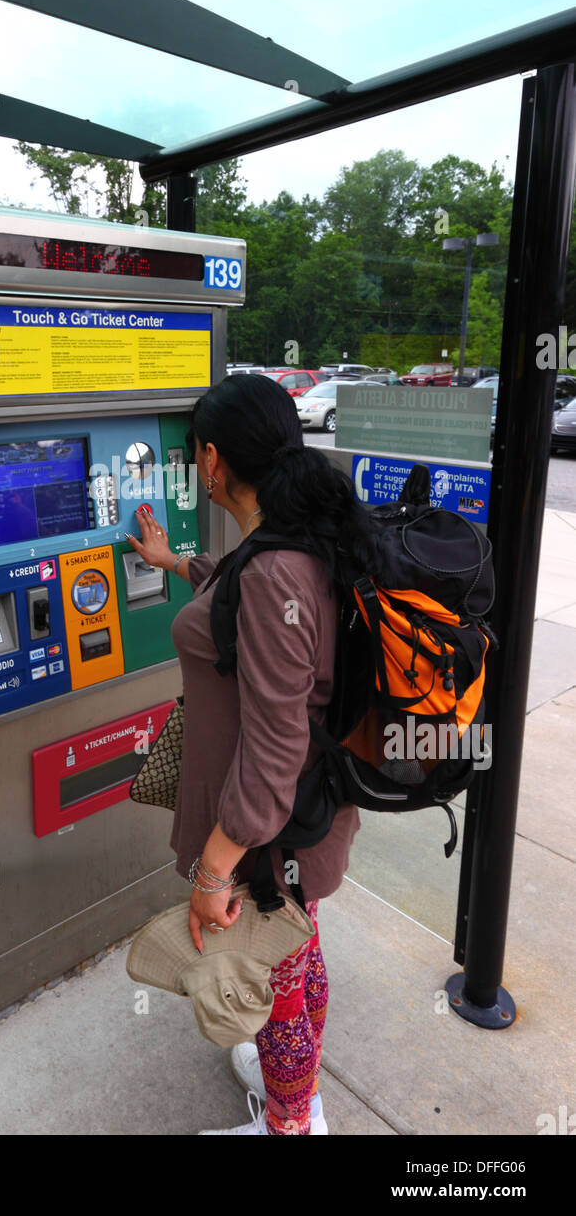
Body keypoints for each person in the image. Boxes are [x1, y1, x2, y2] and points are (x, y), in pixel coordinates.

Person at [126, 372, 383, 1136]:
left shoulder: (274, 570)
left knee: (277, 970)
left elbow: (273, 748)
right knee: (298, 954)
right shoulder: (301, 541)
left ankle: (291, 1128)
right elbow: (250, 605)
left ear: (211, 461)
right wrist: (174, 564)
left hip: (271, 833)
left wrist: (215, 869)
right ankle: (296, 1104)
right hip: (309, 814)